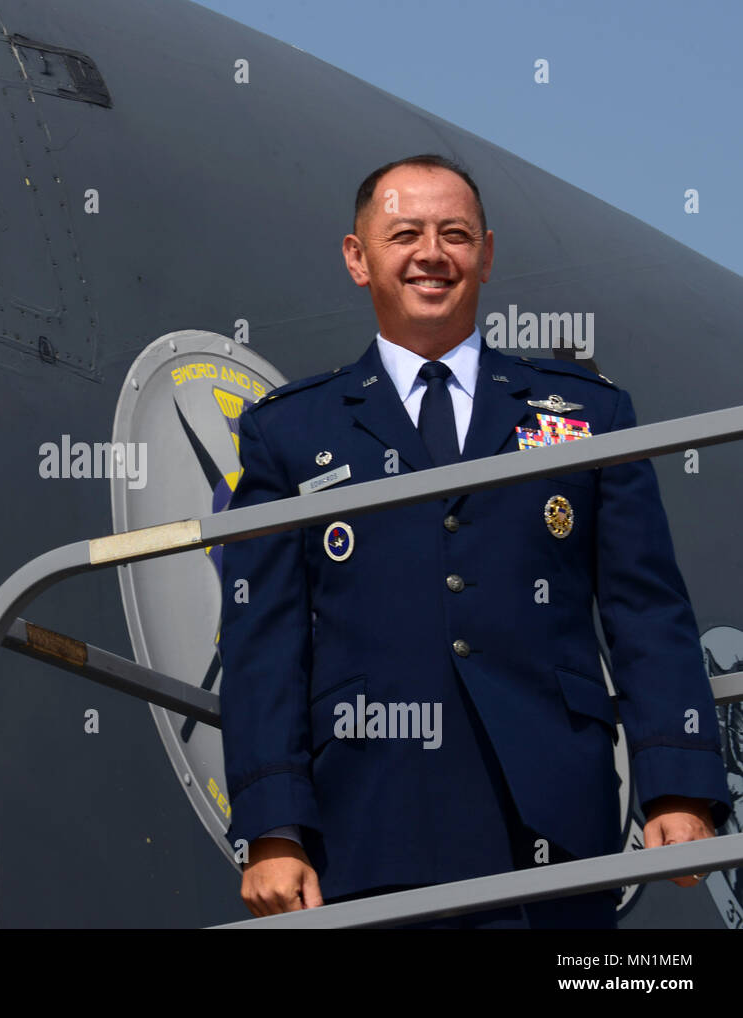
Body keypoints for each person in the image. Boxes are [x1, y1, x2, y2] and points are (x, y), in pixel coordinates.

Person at [218, 154, 731, 928]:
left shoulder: (589, 415)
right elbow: (264, 642)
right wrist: (273, 827)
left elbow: (646, 610)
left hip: (552, 822)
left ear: (486, 255)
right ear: (359, 259)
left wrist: (679, 787)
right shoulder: (289, 431)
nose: (432, 253)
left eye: (454, 234)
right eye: (405, 234)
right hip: (368, 827)